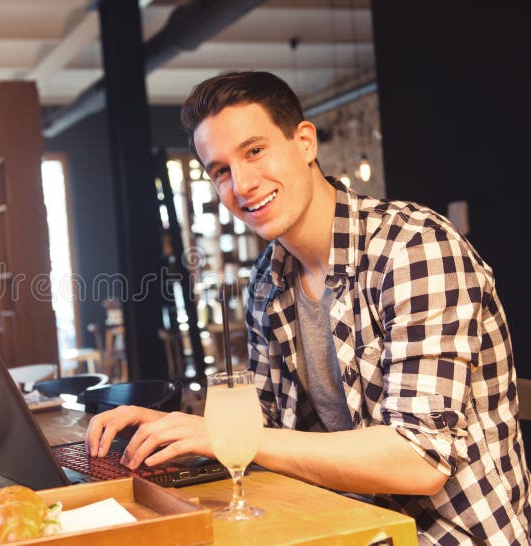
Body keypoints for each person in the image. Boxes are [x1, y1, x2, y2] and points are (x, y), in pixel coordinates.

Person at [86, 71, 530, 544]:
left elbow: (419, 459)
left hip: (452, 533)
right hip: (341, 520)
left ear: (304, 143)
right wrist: (180, 430)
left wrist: (227, 436)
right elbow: (268, 429)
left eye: (254, 151)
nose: (242, 184)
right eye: (220, 170)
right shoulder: (267, 280)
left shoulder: (414, 249)